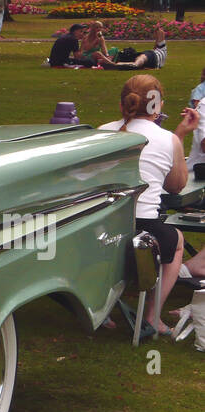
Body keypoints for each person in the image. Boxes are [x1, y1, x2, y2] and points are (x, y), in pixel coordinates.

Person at [98, 75, 199, 336]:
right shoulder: (168, 140)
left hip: (99, 226)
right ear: (158, 106)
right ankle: (153, 315)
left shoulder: (101, 132)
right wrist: (180, 134)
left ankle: (101, 309)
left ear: (122, 105)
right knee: (176, 239)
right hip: (144, 230)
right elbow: (176, 186)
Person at [96, 27, 168, 70]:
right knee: (139, 58)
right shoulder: (160, 49)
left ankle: (133, 65)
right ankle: (119, 64)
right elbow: (158, 38)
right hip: (153, 63)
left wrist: (156, 29)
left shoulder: (162, 47)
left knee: (142, 58)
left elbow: (161, 33)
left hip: (153, 55)